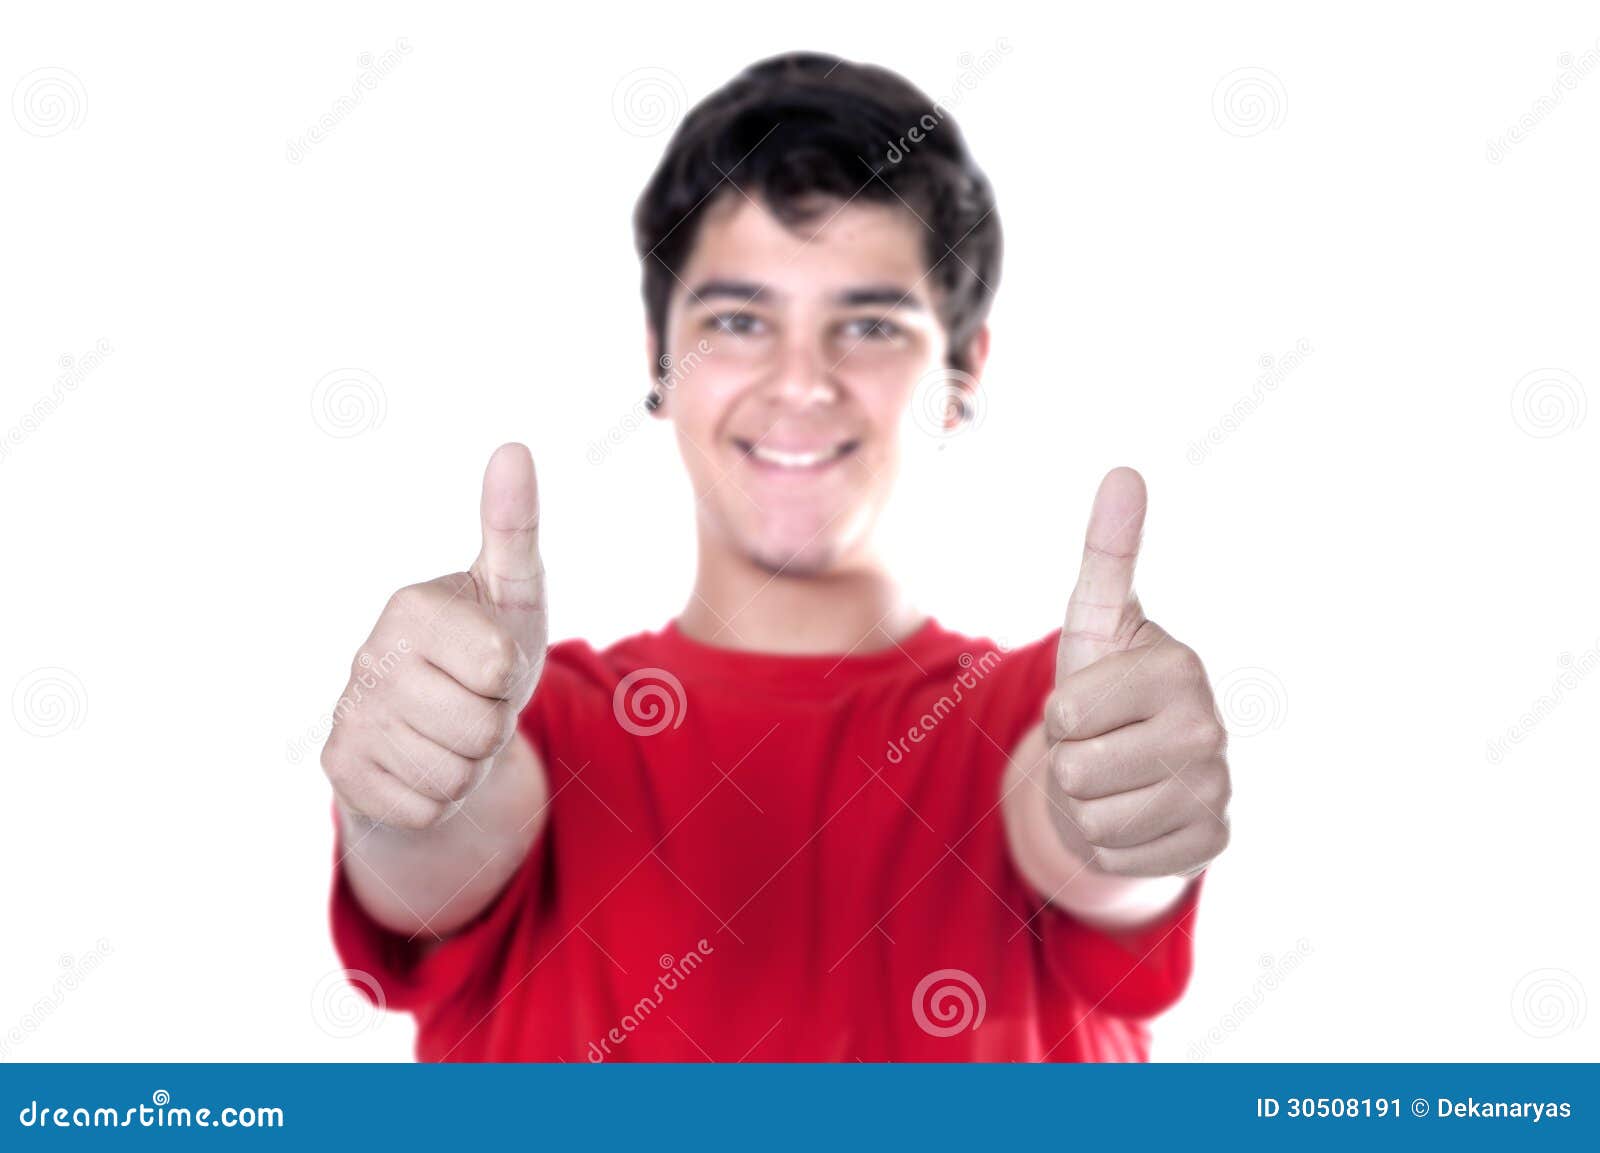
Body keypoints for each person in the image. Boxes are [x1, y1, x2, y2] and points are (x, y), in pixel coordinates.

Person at [321, 52, 1232, 1062]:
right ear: (659, 360)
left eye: (869, 324)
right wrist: (402, 793)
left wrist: (1115, 811)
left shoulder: (1049, 721)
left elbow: (1089, 849)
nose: (801, 383)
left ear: (965, 370)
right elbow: (431, 855)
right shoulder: (519, 726)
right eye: (740, 321)